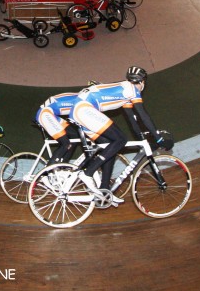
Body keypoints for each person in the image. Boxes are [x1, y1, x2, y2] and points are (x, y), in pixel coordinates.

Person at [67, 66, 166, 202]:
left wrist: (142, 139)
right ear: (142, 82)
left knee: (110, 148)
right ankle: (88, 172)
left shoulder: (124, 91)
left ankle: (104, 190)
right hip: (85, 110)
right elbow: (144, 116)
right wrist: (159, 138)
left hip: (78, 110)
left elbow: (133, 120)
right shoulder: (132, 90)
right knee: (121, 139)